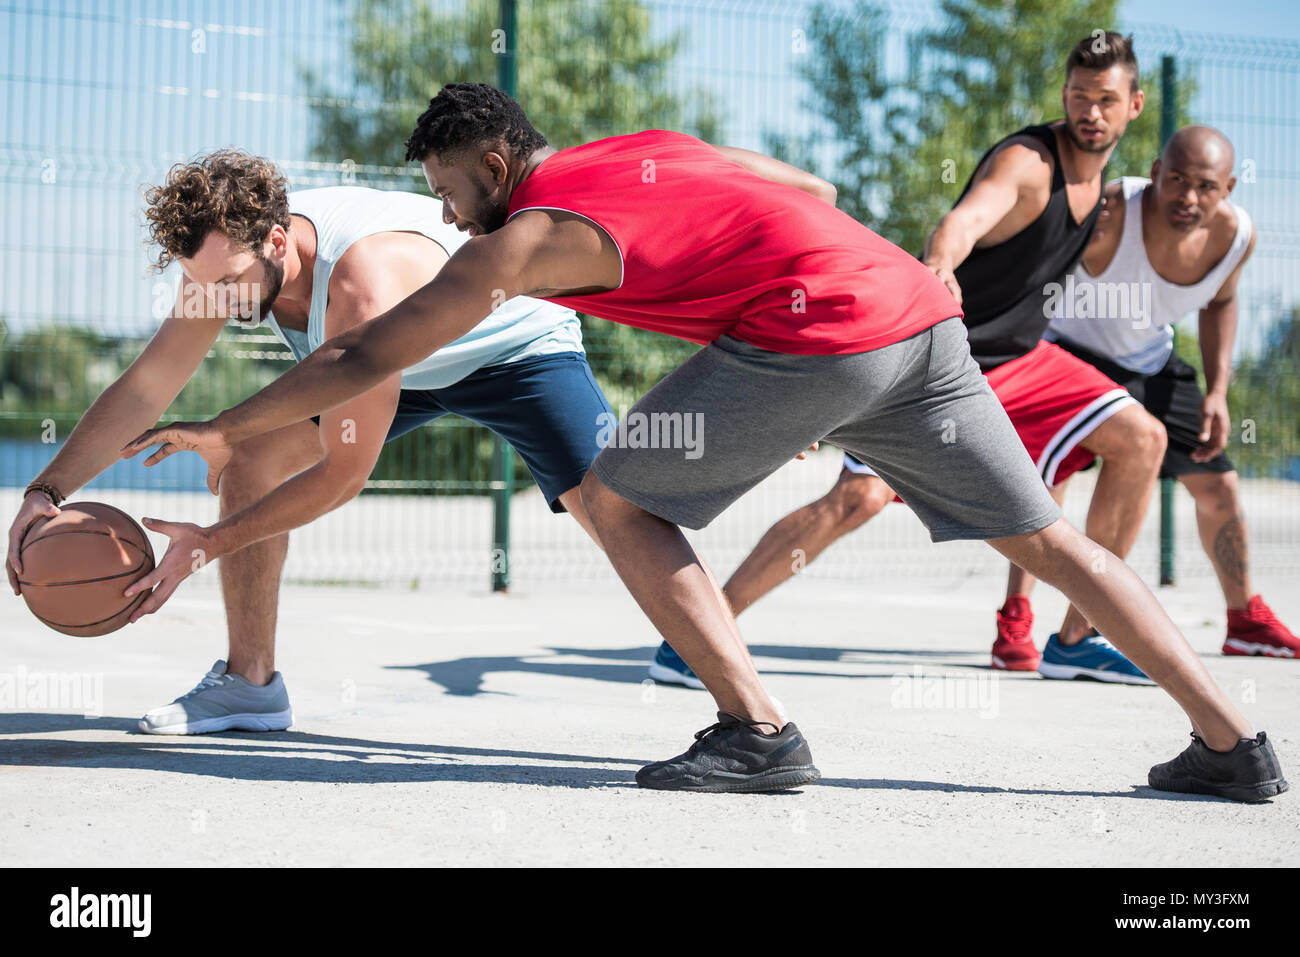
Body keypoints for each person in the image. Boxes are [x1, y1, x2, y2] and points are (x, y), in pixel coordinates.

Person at [121, 82, 1285, 801]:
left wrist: (223, 428)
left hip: (826, 331)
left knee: (613, 495)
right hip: (915, 315)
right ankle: (1230, 745)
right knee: (1043, 539)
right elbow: (808, 180)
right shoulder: (652, 145)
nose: (442, 216)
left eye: (445, 191)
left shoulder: (517, 238)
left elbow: (364, 361)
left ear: (490, 166)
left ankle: (756, 732)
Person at [7, 149, 613, 734]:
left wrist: (208, 544)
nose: (215, 300)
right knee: (252, 460)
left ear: (276, 242)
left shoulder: (358, 278)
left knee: (621, 518)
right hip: (377, 363)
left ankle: (704, 651)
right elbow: (146, 388)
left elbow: (343, 476)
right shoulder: (223, 263)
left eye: (227, 283)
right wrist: (46, 489)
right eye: (202, 285)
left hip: (510, 354)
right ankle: (251, 683)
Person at [652, 31, 1165, 688]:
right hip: (937, 362)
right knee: (858, 498)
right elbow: (966, 221)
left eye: (1105, 100)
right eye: (1078, 96)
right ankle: (698, 636)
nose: (1090, 111)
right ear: (1063, 96)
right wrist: (940, 263)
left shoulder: (1108, 193)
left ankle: (1076, 639)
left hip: (1021, 361)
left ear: (1135, 106)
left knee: (1141, 439)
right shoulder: (1029, 163)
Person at [1042, 125, 1297, 658]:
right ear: (1156, 173)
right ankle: (1017, 621)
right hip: (1068, 349)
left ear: (1228, 188)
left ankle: (1245, 620)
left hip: (1148, 362)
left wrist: (1218, 390)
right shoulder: (1114, 209)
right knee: (1046, 486)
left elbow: (1221, 303)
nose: (1188, 197)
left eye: (1205, 186)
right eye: (1177, 180)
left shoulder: (1236, 237)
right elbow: (1038, 267)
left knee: (1218, 483)